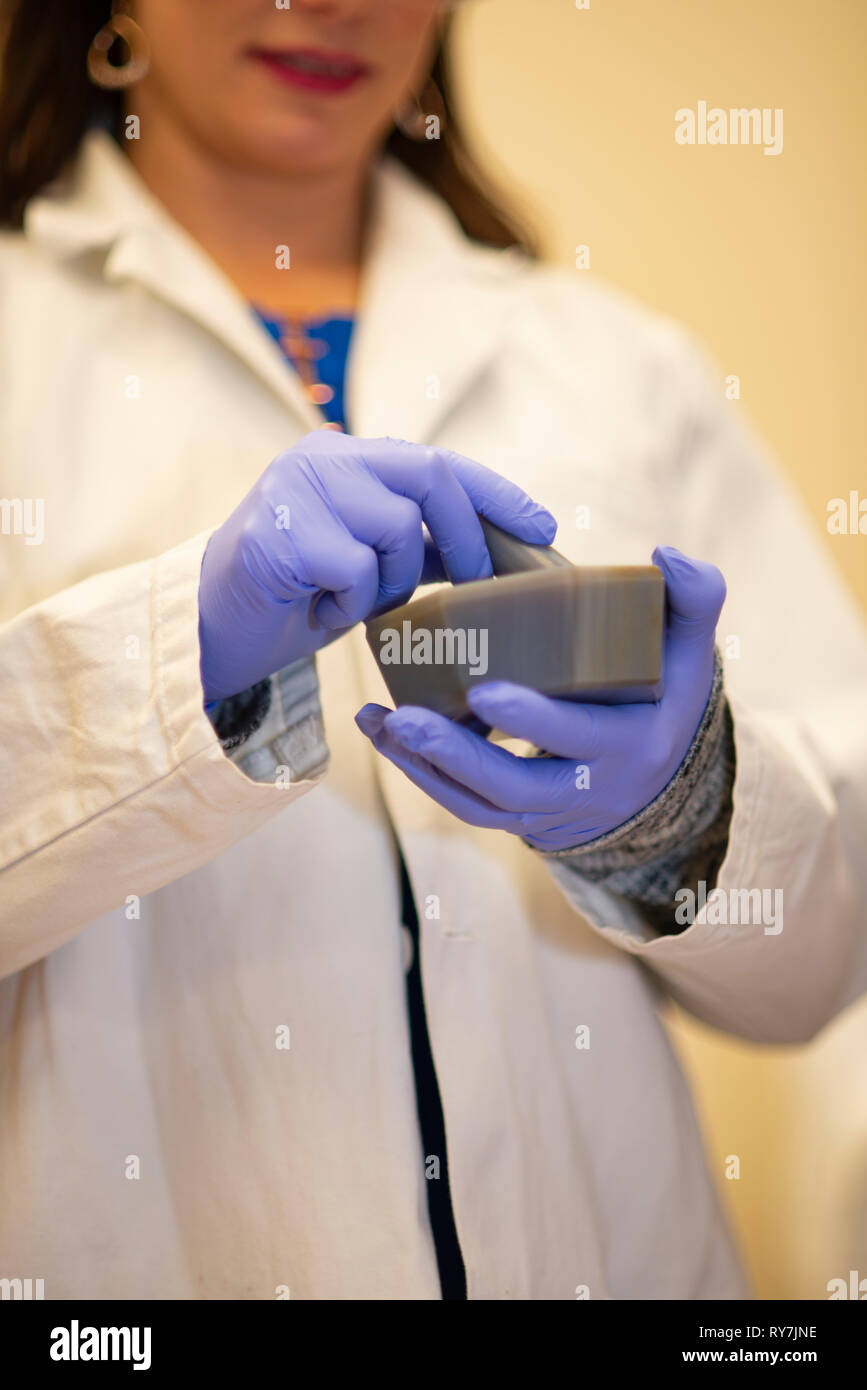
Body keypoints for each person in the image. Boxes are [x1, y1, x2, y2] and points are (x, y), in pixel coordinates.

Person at [0, 0, 865, 1302]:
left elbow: (827, 960)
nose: (338, 2)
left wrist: (685, 808)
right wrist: (171, 659)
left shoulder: (614, 364)